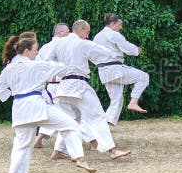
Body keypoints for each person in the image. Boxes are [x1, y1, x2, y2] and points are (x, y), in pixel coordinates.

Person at [0, 33, 96, 173]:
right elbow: (59, 68)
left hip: (19, 108)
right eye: (35, 50)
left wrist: (11, 94)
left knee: (21, 144)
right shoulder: (35, 65)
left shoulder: (10, 68)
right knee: (71, 125)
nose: (37, 53)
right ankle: (78, 158)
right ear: (27, 51)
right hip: (35, 106)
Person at [53, 19, 130, 160]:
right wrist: (115, 53)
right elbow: (103, 52)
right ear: (80, 30)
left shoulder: (59, 44)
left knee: (71, 121)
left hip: (62, 89)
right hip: (78, 86)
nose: (87, 35)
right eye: (87, 32)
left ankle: (57, 151)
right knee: (98, 116)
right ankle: (112, 150)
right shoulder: (82, 43)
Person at [92, 13, 149, 126]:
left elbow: (93, 54)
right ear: (112, 24)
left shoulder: (97, 37)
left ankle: (103, 130)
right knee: (144, 77)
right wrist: (136, 50)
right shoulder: (113, 34)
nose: (121, 27)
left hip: (104, 72)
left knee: (116, 101)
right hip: (115, 69)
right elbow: (127, 47)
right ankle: (133, 103)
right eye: (119, 24)